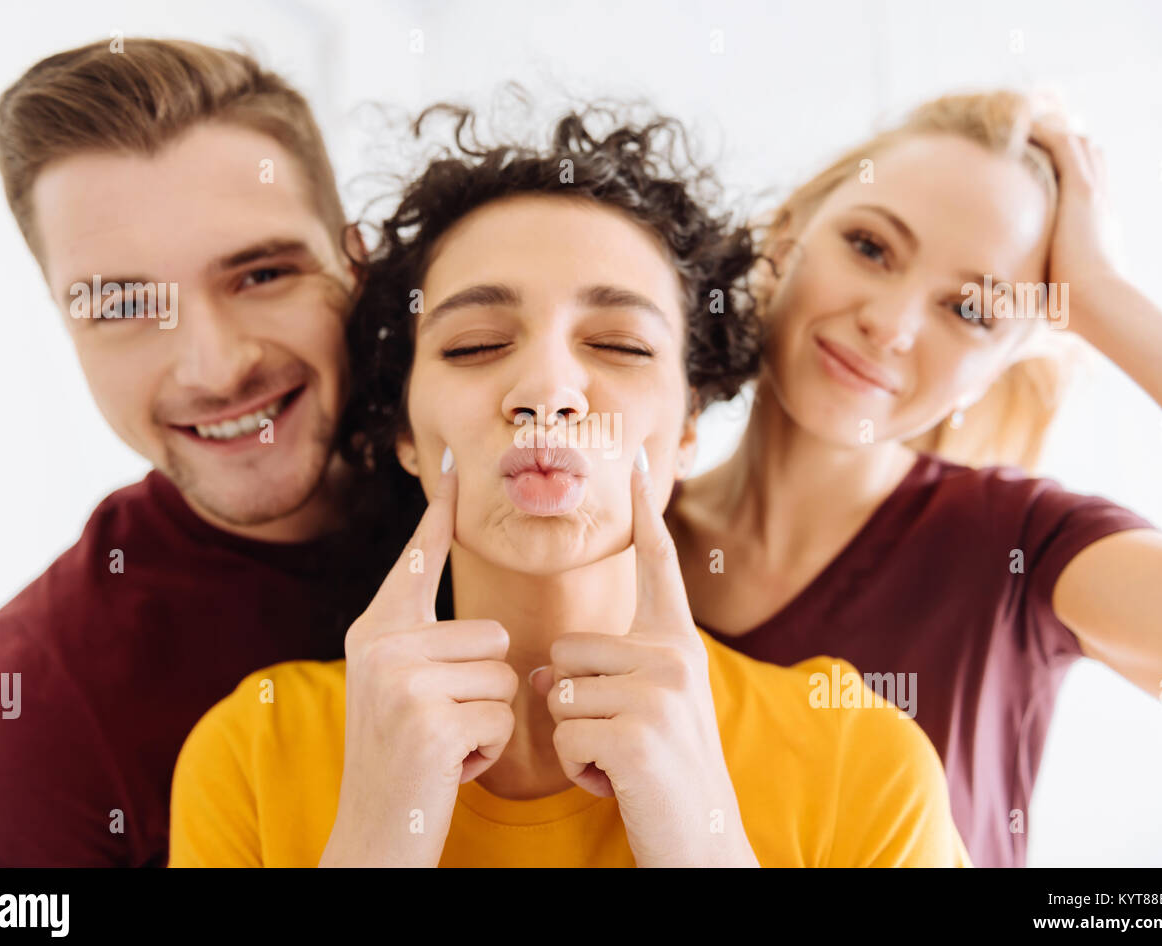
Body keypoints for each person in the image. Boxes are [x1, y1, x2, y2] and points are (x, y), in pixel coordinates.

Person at [168, 106, 970, 867]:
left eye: (620, 344)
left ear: (688, 427)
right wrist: (377, 837)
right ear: (406, 432)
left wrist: (702, 841)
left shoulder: (861, 759)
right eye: (476, 344)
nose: (547, 389)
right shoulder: (253, 750)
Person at [665, 91, 1162, 867]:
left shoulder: (1021, 550)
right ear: (789, 236)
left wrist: (1104, 303)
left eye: (969, 309)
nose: (890, 324)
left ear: (995, 370)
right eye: (870, 246)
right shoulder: (613, 531)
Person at [0, 38, 381, 866]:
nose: (216, 365)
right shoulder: (32, 716)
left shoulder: (529, 512)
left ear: (355, 264)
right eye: (126, 304)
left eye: (262, 274)